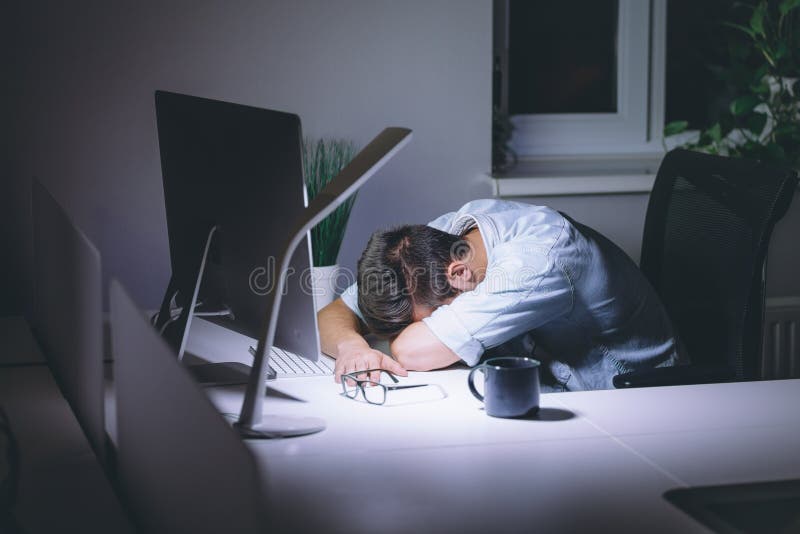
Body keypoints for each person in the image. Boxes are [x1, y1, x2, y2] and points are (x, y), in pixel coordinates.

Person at [318, 199, 686, 391]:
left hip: (628, 395)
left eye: (426, 320)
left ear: (459, 276)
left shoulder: (536, 263)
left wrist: (399, 339)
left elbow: (410, 351)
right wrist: (353, 347)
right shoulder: (440, 241)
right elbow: (333, 312)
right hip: (544, 374)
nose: (413, 329)